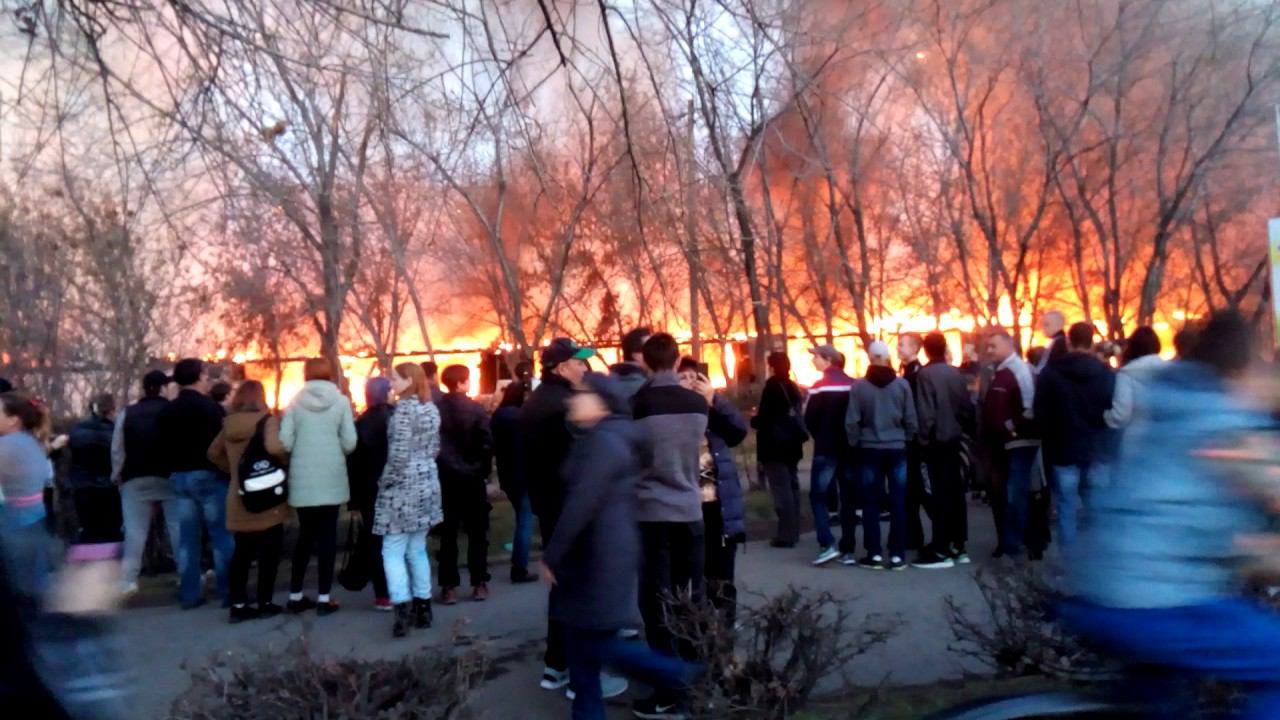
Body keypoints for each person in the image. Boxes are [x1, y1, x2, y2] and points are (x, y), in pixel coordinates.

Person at [1059, 310, 1280, 718]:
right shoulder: (1225, 423)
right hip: (1160, 596)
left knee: (1161, 704)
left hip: (1104, 582)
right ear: (1240, 371)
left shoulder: (1176, 402)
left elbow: (1193, 517)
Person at [543, 374, 700, 720]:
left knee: (599, 646)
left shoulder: (604, 443)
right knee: (584, 652)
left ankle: (681, 674)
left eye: (581, 394)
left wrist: (552, 554)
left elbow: (582, 503)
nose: (572, 400)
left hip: (597, 557)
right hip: (598, 553)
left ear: (601, 401)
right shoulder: (604, 438)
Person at [630, 333, 709, 720]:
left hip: (651, 514)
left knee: (656, 604)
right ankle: (696, 682)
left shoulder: (638, 404)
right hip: (690, 511)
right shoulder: (697, 403)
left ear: (645, 361)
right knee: (689, 599)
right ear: (678, 362)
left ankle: (668, 691)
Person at [520, 337, 596, 693]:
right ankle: (575, 670)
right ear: (559, 367)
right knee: (578, 587)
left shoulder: (538, 400)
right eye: (578, 362)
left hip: (551, 504)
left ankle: (557, 663)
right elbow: (584, 459)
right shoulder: (564, 405)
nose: (585, 367)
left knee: (564, 585)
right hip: (569, 506)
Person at [280, 357, 357, 615]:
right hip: (331, 476)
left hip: (303, 478)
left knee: (304, 536)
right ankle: (325, 598)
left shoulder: (294, 403)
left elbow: (285, 441)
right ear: (329, 374)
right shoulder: (341, 401)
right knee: (327, 537)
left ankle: (295, 595)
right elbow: (349, 442)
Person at [207, 380, 288, 623]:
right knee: (269, 553)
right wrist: (283, 463)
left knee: (241, 553)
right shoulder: (268, 420)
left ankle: (239, 604)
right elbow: (274, 447)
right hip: (267, 497)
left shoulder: (229, 424)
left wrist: (233, 472)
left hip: (239, 496)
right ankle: (265, 601)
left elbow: (212, 453)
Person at [374, 363, 444, 638]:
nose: (391, 383)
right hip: (426, 480)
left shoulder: (403, 411)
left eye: (395, 378)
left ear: (409, 380)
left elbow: (399, 455)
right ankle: (424, 606)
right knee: (417, 548)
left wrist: (385, 481)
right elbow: (435, 447)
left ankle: (401, 607)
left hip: (402, 486)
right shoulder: (430, 408)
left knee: (392, 549)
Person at [1034, 322, 1117, 550]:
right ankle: (1096, 559)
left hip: (1063, 449)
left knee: (1066, 507)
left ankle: (1069, 564)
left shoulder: (1051, 374)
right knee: (1096, 508)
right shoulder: (1105, 374)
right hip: (1096, 449)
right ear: (1092, 343)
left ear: (1069, 342)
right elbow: (1113, 409)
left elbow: (1040, 414)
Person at [157, 358, 232, 609]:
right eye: (206, 373)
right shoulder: (211, 409)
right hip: (209, 474)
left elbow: (161, 444)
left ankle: (189, 593)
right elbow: (223, 444)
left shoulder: (168, 410)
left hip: (179, 476)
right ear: (200, 376)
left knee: (188, 539)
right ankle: (229, 589)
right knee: (220, 535)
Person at [677, 358, 748, 618]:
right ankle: (696, 631)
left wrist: (714, 400)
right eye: (682, 378)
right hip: (686, 508)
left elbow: (738, 432)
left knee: (721, 577)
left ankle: (723, 635)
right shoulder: (672, 414)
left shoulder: (711, 413)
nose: (689, 384)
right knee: (690, 577)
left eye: (694, 378)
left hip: (718, 506)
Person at [846, 340, 918, 571]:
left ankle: (874, 553)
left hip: (869, 448)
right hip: (897, 447)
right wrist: (906, 438)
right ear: (887, 358)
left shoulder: (859, 387)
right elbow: (911, 419)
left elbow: (852, 420)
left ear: (869, 357)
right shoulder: (902, 385)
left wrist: (855, 441)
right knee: (898, 502)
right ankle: (897, 553)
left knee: (870, 502)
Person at [113, 370, 180, 597]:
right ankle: (186, 573)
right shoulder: (173, 411)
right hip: (169, 476)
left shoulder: (127, 413)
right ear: (163, 388)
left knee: (134, 532)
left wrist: (118, 476)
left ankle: (128, 581)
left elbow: (118, 449)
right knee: (177, 528)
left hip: (135, 477)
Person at [913, 332, 975, 568]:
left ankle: (941, 547)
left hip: (936, 441)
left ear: (925, 350)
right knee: (956, 492)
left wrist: (923, 440)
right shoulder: (955, 373)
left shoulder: (926, 375)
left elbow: (926, 412)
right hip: (954, 439)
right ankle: (959, 544)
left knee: (937, 494)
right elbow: (966, 407)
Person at [435, 364, 494, 604]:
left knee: (448, 534)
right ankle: (479, 582)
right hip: (472, 478)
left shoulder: (436, 409)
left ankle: (448, 586)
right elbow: (487, 442)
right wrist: (483, 469)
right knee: (477, 533)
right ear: (461, 383)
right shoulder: (476, 409)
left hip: (446, 478)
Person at [982, 331, 1040, 559]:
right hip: (1005, 442)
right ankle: (1010, 542)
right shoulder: (1000, 371)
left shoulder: (1018, 370)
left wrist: (1011, 428)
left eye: (993, 345)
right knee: (1007, 493)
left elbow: (1029, 405)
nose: (989, 350)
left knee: (1015, 493)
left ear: (1008, 345)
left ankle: (1015, 544)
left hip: (1019, 442)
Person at [802, 345, 856, 566]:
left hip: (826, 448)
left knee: (818, 496)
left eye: (815, 357)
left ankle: (826, 543)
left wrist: (820, 435)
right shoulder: (854, 385)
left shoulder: (819, 387)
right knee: (849, 497)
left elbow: (808, 419)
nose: (813, 361)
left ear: (827, 359)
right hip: (850, 448)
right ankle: (849, 548)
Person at [344, 377, 394, 609]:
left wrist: (353, 500)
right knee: (401, 540)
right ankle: (403, 588)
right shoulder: (398, 420)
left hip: (369, 491)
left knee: (376, 542)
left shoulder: (359, 425)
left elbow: (353, 466)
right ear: (388, 393)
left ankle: (382, 594)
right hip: (398, 489)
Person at [752, 351, 807, 549]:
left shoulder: (772, 387)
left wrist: (754, 420)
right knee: (792, 486)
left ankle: (785, 534)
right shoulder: (792, 387)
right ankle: (794, 530)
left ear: (772, 366)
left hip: (774, 445)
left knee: (780, 489)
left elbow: (766, 417)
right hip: (792, 443)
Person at [492, 378, 538, 583]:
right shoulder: (522, 418)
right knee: (525, 520)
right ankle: (519, 567)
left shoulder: (498, 416)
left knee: (522, 517)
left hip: (507, 474)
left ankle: (519, 562)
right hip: (523, 475)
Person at [68, 394, 120, 544]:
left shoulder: (76, 430)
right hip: (109, 486)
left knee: (88, 529)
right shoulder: (115, 430)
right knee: (111, 531)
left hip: (82, 485)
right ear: (111, 409)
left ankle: (87, 561)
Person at [897, 332, 931, 552]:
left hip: (915, 443)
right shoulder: (908, 373)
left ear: (915, 348)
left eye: (902, 345)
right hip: (911, 442)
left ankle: (925, 536)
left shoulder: (916, 375)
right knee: (912, 491)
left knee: (918, 490)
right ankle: (913, 536)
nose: (898, 349)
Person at [1105, 327, 1165, 430]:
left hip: (1137, 436)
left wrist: (1104, 415)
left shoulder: (1126, 374)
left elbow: (1120, 416)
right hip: (1166, 437)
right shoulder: (1168, 371)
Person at [609, 327, 652, 404]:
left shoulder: (609, 384)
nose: (656, 353)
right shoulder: (646, 387)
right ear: (636, 355)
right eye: (651, 348)